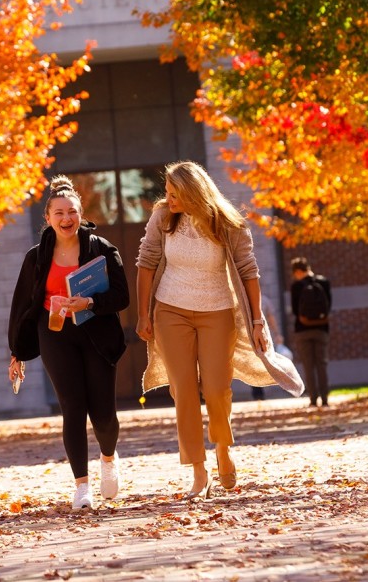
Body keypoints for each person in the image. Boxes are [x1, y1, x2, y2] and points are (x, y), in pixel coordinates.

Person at [136, 161, 302, 499]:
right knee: (183, 389)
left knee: (216, 389)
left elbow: (248, 270)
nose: (169, 200)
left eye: (175, 194)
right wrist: (143, 315)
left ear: (193, 193)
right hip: (171, 309)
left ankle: (223, 447)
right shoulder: (163, 216)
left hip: (218, 311)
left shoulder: (228, 223)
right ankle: (198, 471)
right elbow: (146, 262)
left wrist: (257, 321)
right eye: (166, 193)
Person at [8, 175, 130, 509]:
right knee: (72, 408)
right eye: (59, 213)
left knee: (103, 412)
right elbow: (22, 304)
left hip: (96, 332)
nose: (66, 219)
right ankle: (81, 487)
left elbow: (122, 296)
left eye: (72, 212)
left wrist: (90, 303)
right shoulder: (36, 257)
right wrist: (16, 350)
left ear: (81, 213)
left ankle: (108, 458)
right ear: (47, 218)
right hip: (56, 334)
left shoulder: (101, 249)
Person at [290, 257, 332, 408]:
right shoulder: (323, 282)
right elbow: (329, 307)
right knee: (322, 364)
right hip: (321, 329)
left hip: (303, 330)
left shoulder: (296, 286)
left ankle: (313, 399)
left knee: (308, 366)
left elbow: (295, 310)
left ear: (298, 271)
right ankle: (325, 399)